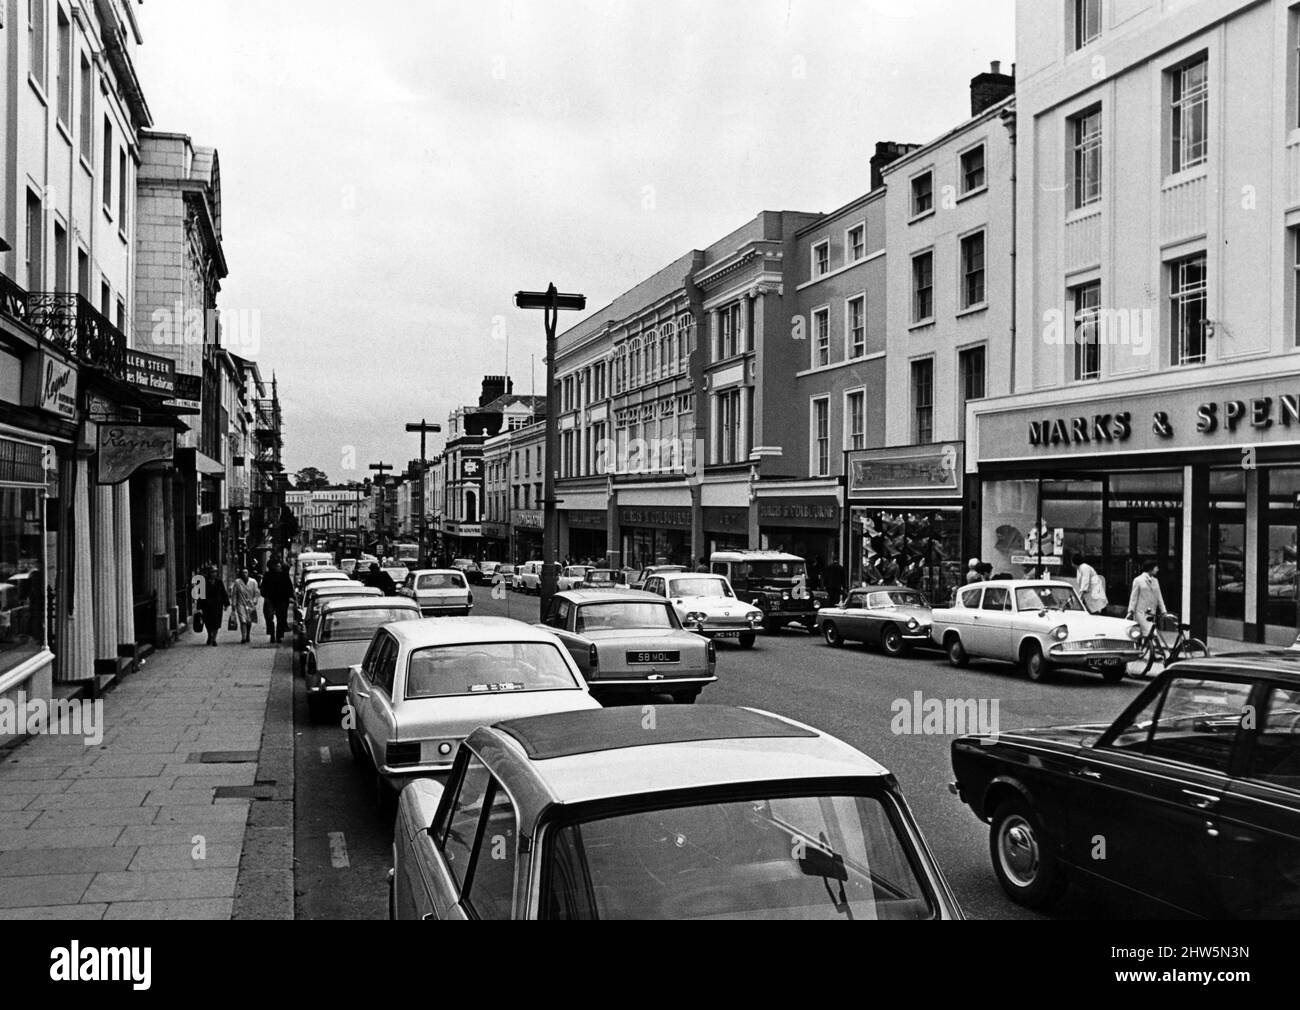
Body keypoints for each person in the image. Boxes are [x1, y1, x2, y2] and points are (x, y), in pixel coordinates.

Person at [1126, 560, 1168, 636]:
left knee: (1152, 635)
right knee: (1146, 633)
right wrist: (1130, 611)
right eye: (1156, 567)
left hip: (1151, 614)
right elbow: (1133, 598)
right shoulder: (1138, 580)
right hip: (1141, 613)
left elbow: (1159, 597)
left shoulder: (1156, 581)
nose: (1157, 569)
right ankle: (1144, 647)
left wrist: (1163, 611)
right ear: (1150, 568)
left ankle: (1147, 647)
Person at [261, 561, 293, 643]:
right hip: (271, 599)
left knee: (281, 618)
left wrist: (289, 596)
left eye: (279, 566)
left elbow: (289, 587)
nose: (279, 568)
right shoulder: (268, 575)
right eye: (277, 566)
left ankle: (279, 635)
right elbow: (263, 588)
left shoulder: (284, 575)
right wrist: (265, 596)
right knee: (269, 617)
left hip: (281, 600)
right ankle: (272, 634)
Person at [199, 565, 229, 647]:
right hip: (207, 606)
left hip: (217, 605)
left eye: (215, 572)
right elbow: (201, 595)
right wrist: (199, 607)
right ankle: (209, 635)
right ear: (209, 573)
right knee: (208, 623)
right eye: (212, 572)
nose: (214, 573)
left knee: (216, 623)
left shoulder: (219, 581)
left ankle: (214, 639)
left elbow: (223, 592)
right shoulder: (204, 582)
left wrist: (226, 604)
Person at [230, 567, 261, 644]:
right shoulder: (237, 582)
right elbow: (234, 594)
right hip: (240, 604)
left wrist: (255, 600)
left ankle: (248, 634)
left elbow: (256, 593)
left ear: (248, 573)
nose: (244, 574)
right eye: (243, 572)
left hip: (250, 604)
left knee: (249, 621)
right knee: (242, 621)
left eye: (246, 572)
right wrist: (233, 604)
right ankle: (243, 636)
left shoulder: (253, 582)